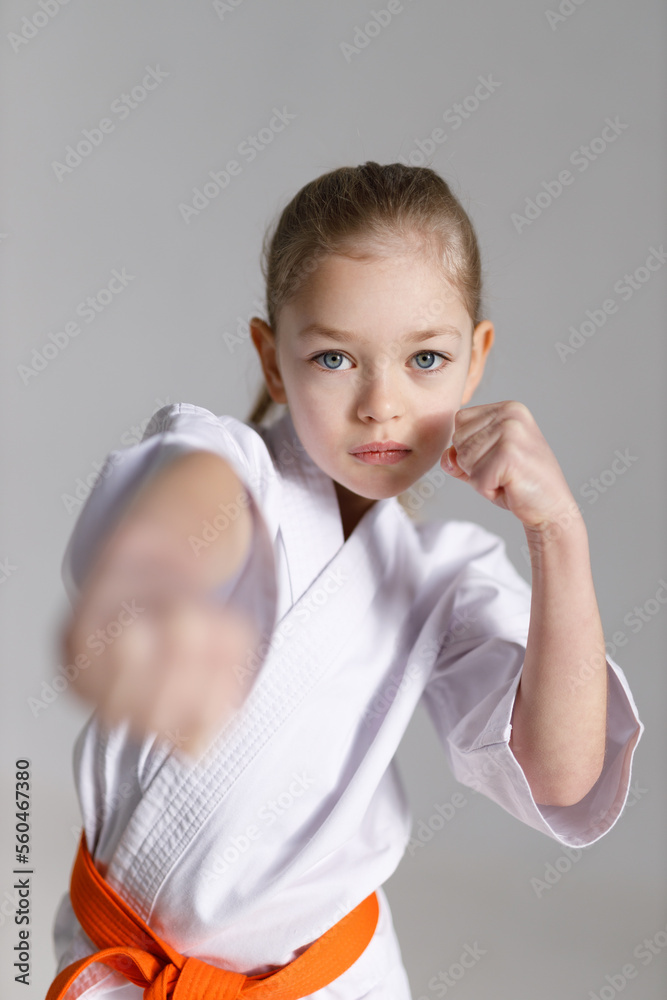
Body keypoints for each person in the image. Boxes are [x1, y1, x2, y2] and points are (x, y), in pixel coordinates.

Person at [47, 162, 643, 999]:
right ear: (272, 359)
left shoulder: (447, 580)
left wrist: (559, 535)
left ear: (476, 362)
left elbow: (563, 774)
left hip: (334, 979)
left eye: (425, 358)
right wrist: (158, 577)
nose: (380, 404)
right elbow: (189, 495)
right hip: (130, 964)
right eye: (334, 357)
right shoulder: (230, 466)